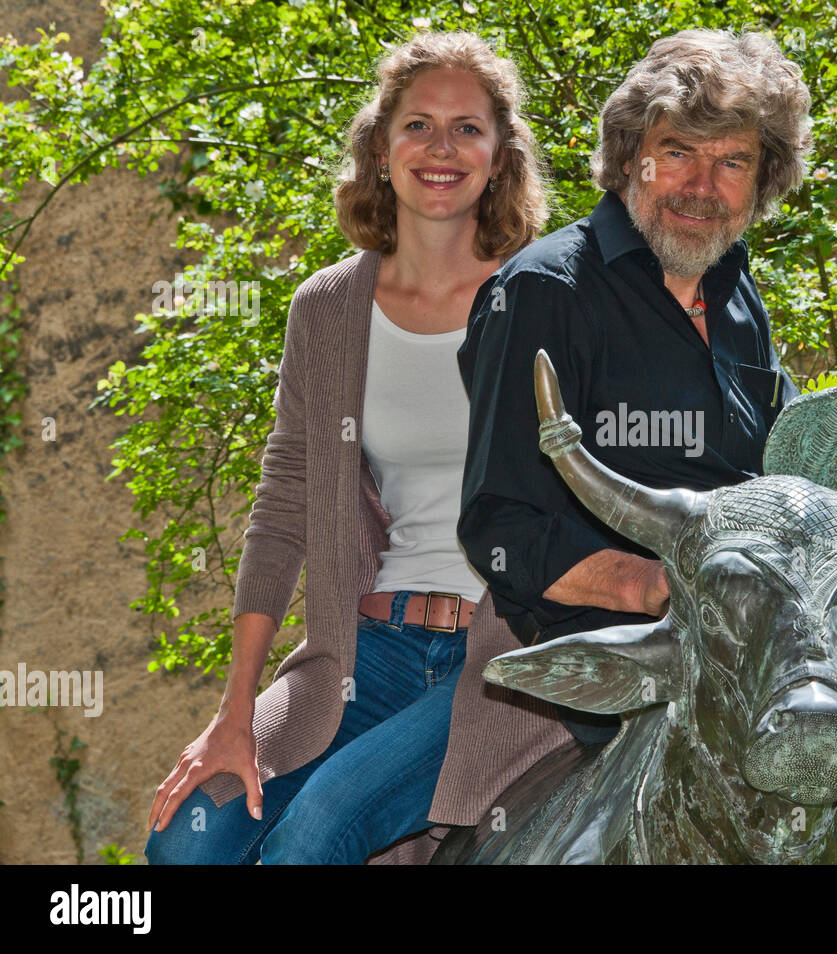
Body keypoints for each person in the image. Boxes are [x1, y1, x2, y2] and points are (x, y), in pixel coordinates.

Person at [456, 28, 837, 863]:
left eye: (733, 163)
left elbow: (792, 499)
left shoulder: (734, 288)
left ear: (764, 179)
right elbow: (502, 528)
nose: (702, 187)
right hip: (647, 630)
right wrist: (668, 585)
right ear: (630, 158)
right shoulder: (544, 290)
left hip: (790, 613)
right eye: (678, 152)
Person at [144, 31, 551, 864]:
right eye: (418, 125)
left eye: (468, 128)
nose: (442, 149)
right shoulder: (328, 307)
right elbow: (284, 503)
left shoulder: (547, 296)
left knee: (314, 840)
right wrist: (234, 709)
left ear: (502, 155)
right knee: (185, 844)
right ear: (379, 144)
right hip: (365, 654)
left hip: (504, 660)